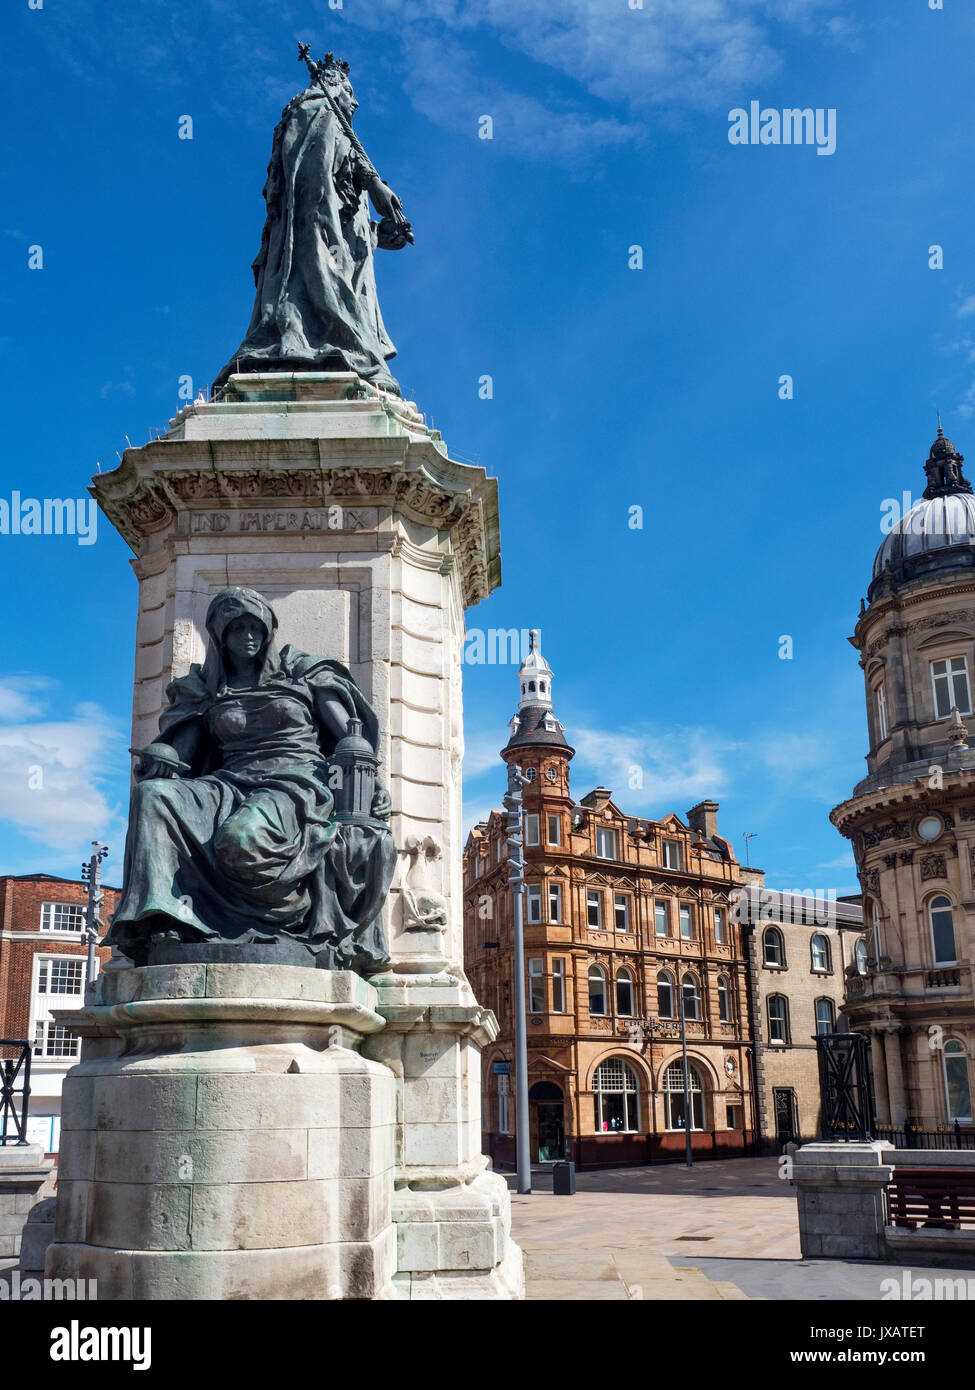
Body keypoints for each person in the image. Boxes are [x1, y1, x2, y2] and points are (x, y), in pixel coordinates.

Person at [106, 587, 395, 974]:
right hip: (228, 781)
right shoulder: (207, 689)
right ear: (219, 636)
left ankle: (283, 922)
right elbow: (183, 752)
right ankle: (166, 919)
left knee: (241, 840)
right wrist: (162, 758)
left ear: (268, 631)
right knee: (152, 796)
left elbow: (349, 738)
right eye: (237, 628)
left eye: (255, 627)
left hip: (296, 782)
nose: (248, 637)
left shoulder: (303, 672)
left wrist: (369, 781)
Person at [213, 52, 412, 395]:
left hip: (329, 244)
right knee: (320, 285)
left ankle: (337, 341)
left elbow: (342, 209)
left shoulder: (336, 128)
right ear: (334, 89)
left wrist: (377, 233)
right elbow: (311, 196)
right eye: (350, 92)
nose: (356, 101)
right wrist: (372, 184)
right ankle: (324, 341)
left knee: (332, 276)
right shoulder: (314, 112)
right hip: (310, 245)